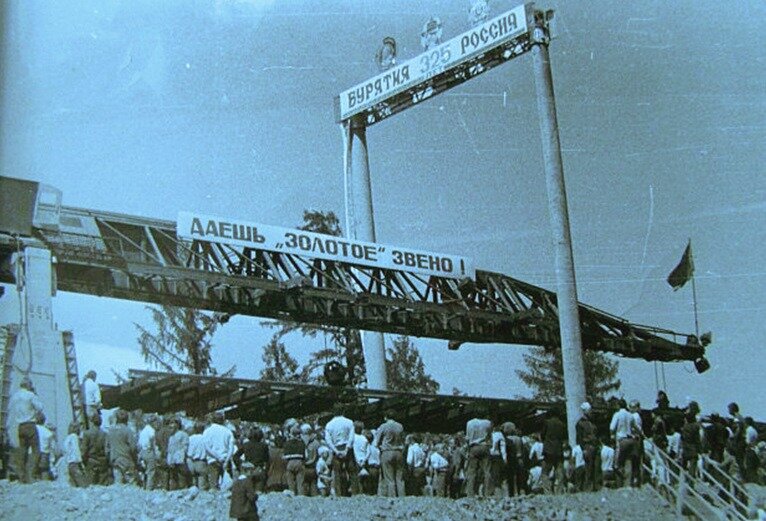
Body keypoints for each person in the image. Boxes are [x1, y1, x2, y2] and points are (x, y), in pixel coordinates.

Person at [6, 376, 44, 483]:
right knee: (36, 450)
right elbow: (40, 407)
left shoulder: (15, 396)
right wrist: (35, 393)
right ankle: (32, 474)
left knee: (23, 451)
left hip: (20, 426)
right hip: (30, 424)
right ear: (28, 385)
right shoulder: (30, 395)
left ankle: (22, 476)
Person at [325, 404, 358, 497]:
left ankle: (338, 494)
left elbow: (328, 440)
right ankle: (355, 493)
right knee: (352, 472)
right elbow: (351, 437)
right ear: (343, 411)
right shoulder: (349, 422)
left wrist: (335, 450)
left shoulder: (329, 424)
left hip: (336, 448)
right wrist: (347, 449)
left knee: (337, 473)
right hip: (348, 448)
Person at [373, 411, 405, 497]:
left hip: (387, 451)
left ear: (385, 417)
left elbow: (376, 442)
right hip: (399, 452)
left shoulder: (383, 426)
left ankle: (392, 497)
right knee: (400, 478)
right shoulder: (400, 426)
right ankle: (402, 497)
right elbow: (403, 439)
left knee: (389, 478)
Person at [610, 398, 640, 487]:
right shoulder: (630, 415)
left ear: (618, 406)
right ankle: (629, 484)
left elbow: (612, 428)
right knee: (629, 461)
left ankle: (620, 483)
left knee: (617, 464)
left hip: (621, 440)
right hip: (631, 440)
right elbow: (636, 427)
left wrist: (612, 435)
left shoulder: (617, 414)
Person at [203, 412, 236, 490]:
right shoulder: (228, 431)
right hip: (225, 460)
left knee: (214, 486)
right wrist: (227, 460)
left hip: (213, 460)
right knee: (228, 486)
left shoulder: (207, 431)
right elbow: (231, 448)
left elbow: (207, 447)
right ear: (223, 420)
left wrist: (217, 456)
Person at [107, 409, 139, 485]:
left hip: (115, 461)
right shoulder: (128, 431)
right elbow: (133, 447)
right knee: (131, 484)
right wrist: (135, 459)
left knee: (118, 484)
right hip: (126, 460)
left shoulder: (110, 431)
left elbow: (107, 448)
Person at [464, 416, 492, 497]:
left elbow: (467, 438)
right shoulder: (488, 422)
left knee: (472, 471)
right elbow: (489, 436)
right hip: (484, 446)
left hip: (473, 446)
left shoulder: (469, 422)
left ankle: (470, 493)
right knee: (487, 471)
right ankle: (487, 493)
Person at [541, 408, 566, 494]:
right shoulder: (562, 424)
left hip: (548, 449)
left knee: (545, 471)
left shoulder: (547, 422)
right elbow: (564, 436)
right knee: (559, 470)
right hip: (559, 449)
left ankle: (548, 491)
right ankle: (559, 490)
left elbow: (543, 435)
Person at [576, 402, 599, 492]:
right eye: (589, 410)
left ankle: (594, 486)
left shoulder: (592, 422)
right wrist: (583, 449)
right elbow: (579, 438)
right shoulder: (580, 423)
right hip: (587, 446)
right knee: (588, 468)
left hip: (594, 445)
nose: (591, 412)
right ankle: (587, 488)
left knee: (595, 468)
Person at [81, 413, 109, 485]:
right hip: (102, 461)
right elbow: (107, 449)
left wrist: (83, 461)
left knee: (91, 486)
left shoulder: (87, 434)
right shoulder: (104, 434)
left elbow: (84, 450)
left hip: (91, 461)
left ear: (92, 421)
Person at [166, 418, 189, 490]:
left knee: (181, 476)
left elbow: (185, 446)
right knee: (174, 477)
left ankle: (182, 489)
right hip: (173, 459)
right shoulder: (172, 436)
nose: (171, 427)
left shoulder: (183, 434)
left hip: (179, 458)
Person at [138, 415, 160, 489]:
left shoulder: (143, 430)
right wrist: (156, 454)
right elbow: (153, 443)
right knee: (151, 471)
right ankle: (149, 489)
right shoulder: (152, 431)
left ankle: (143, 487)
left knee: (144, 471)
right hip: (148, 451)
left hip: (142, 451)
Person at [283, 425, 306, 495]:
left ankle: (292, 495)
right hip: (299, 462)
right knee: (300, 483)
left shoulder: (287, 443)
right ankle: (301, 497)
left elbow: (285, 456)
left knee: (290, 482)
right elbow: (305, 456)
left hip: (290, 462)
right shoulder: (302, 443)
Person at [64, 422, 88, 487]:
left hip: (69, 464)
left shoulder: (67, 438)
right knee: (83, 485)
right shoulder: (74, 437)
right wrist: (81, 462)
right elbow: (76, 450)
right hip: (75, 463)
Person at [187, 421, 209, 490]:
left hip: (190, 461)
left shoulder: (190, 438)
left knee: (193, 484)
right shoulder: (204, 438)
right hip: (201, 462)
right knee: (202, 484)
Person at [487, 422, 507, 497]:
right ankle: (497, 492)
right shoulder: (499, 435)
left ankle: (488, 491)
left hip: (487, 455)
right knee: (496, 474)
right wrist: (504, 458)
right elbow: (502, 447)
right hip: (496, 455)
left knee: (489, 473)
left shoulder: (487, 434)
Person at [35, 415, 56, 481]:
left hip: (33, 453)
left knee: (33, 474)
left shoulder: (33, 430)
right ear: (44, 421)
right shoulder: (48, 433)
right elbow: (52, 448)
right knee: (44, 472)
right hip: (44, 454)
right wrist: (52, 460)